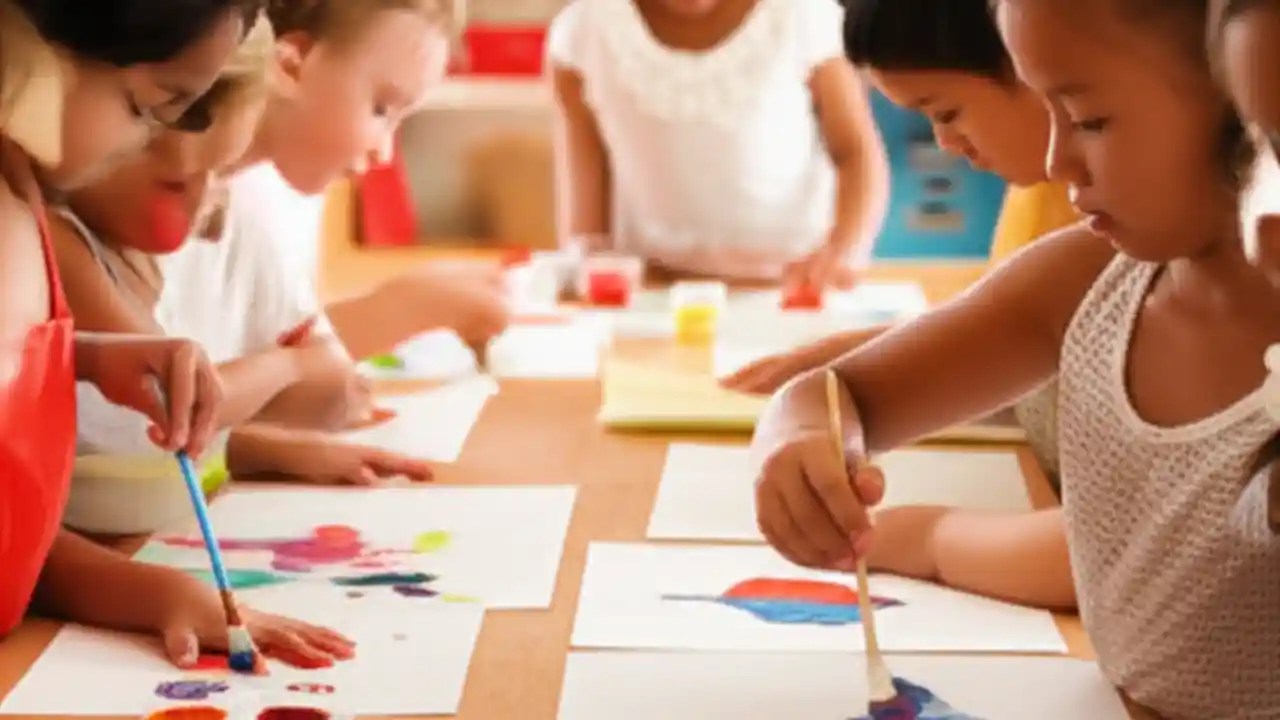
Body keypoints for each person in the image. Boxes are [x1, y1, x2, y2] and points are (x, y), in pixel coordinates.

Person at [750, 0, 1280, 715]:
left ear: (1249, 106)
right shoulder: (1083, 282)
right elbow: (839, 394)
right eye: (1046, 111)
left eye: (1089, 119)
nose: (1057, 162)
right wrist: (798, 434)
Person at [0, 0, 353, 668]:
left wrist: (86, 361)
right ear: (31, 41)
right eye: (144, 105)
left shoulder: (19, 196)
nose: (140, 142)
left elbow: (17, 535)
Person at [52, 13, 432, 504]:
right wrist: (291, 362)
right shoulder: (63, 238)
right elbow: (170, 409)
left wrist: (269, 449)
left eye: (220, 176)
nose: (207, 207)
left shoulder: (190, 220)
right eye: (182, 182)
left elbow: (330, 392)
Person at [723, 0, 1076, 483]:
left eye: (948, 112)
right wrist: (853, 365)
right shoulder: (1036, 196)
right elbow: (1006, 343)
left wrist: (926, 540)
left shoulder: (1109, 224)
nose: (946, 143)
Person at [216, 0, 510, 360]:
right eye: (380, 109)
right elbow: (242, 376)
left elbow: (272, 346)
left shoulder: (280, 193)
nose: (384, 153)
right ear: (292, 65)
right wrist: (406, 306)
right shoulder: (210, 194)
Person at [548, 0, 889, 289]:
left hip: (792, 285)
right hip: (654, 289)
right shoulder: (583, 30)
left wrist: (845, 249)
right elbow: (587, 226)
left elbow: (856, 151)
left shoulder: (802, 14)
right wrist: (586, 267)